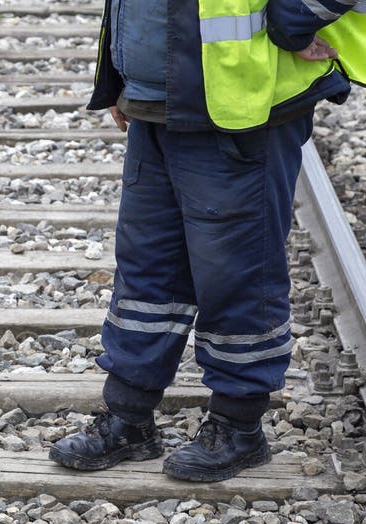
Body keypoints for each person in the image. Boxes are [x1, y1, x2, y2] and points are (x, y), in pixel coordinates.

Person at [48, 0, 364, 481]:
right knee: (146, 267)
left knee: (236, 276)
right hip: (159, 101)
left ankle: (238, 427)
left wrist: (295, 22)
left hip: (244, 109)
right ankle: (129, 417)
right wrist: (118, 76)